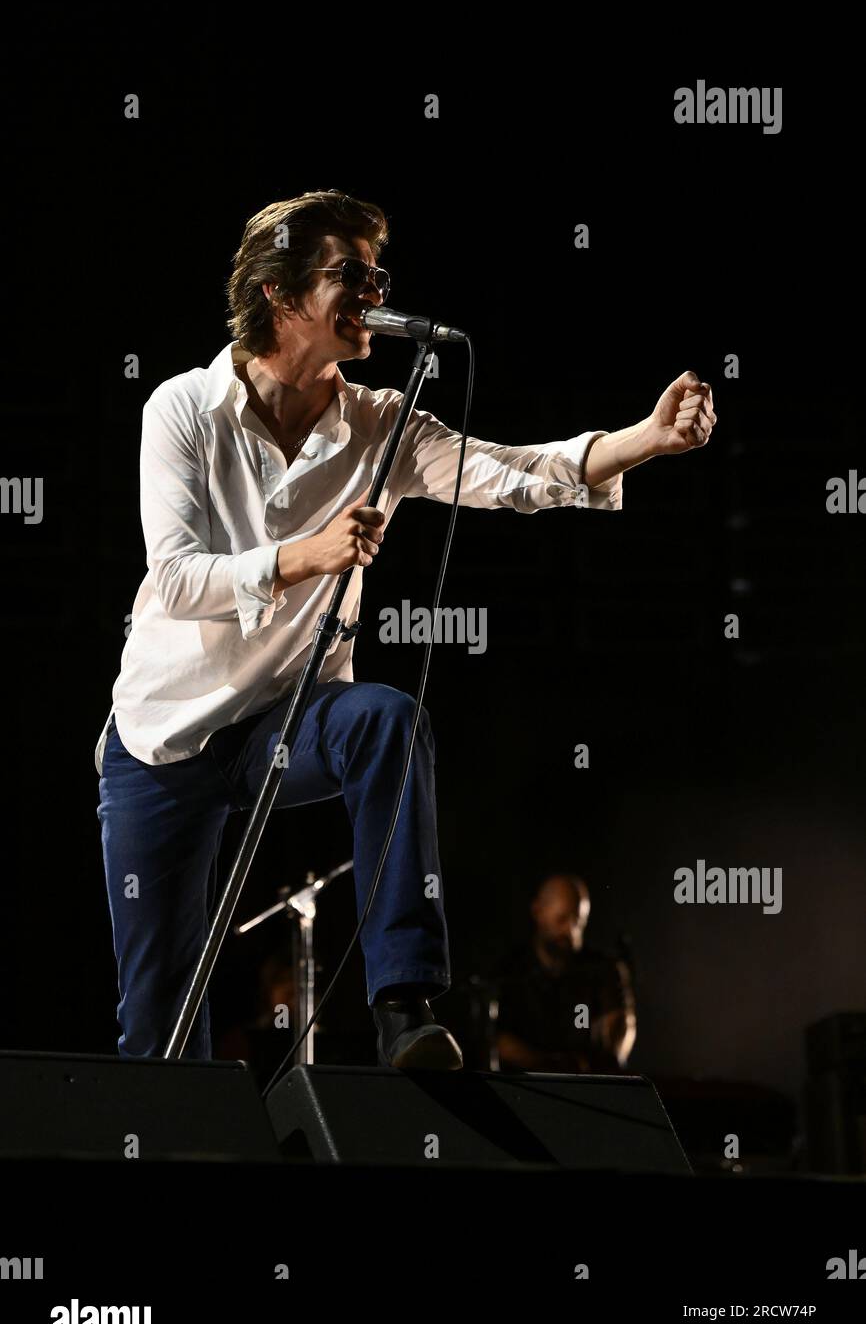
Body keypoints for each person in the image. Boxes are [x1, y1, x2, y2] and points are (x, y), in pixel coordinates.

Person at [94, 189, 716, 1070]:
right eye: (350, 273)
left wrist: (643, 441)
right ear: (278, 292)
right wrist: (305, 555)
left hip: (283, 721)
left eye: (378, 273)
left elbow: (511, 473)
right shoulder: (184, 411)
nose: (374, 290)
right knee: (158, 1019)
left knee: (388, 718)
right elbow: (177, 577)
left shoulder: (379, 424)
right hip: (165, 739)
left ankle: (403, 1004)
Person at [495, 874, 637, 1074]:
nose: (571, 931)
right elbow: (496, 1038)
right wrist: (545, 1065)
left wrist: (605, 1060)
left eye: (578, 922)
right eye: (561, 919)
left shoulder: (604, 969)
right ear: (538, 912)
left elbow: (620, 1028)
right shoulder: (510, 970)